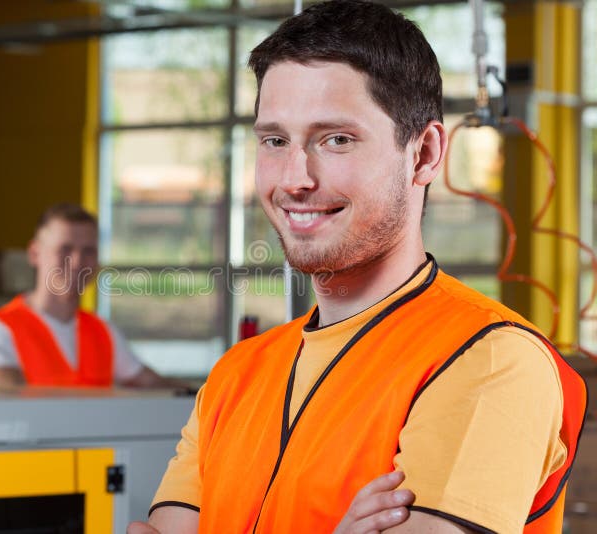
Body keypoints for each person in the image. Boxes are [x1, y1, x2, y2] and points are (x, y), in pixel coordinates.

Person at [128, 1, 587, 532]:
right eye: (275, 140)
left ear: (424, 154)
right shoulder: (237, 376)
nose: (295, 178)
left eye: (336, 139)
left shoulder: (489, 360)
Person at [0, 203, 181, 390]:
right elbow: (3, 393)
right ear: (35, 254)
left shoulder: (103, 333)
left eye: (89, 251)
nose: (78, 262)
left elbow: (155, 385)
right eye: (65, 249)